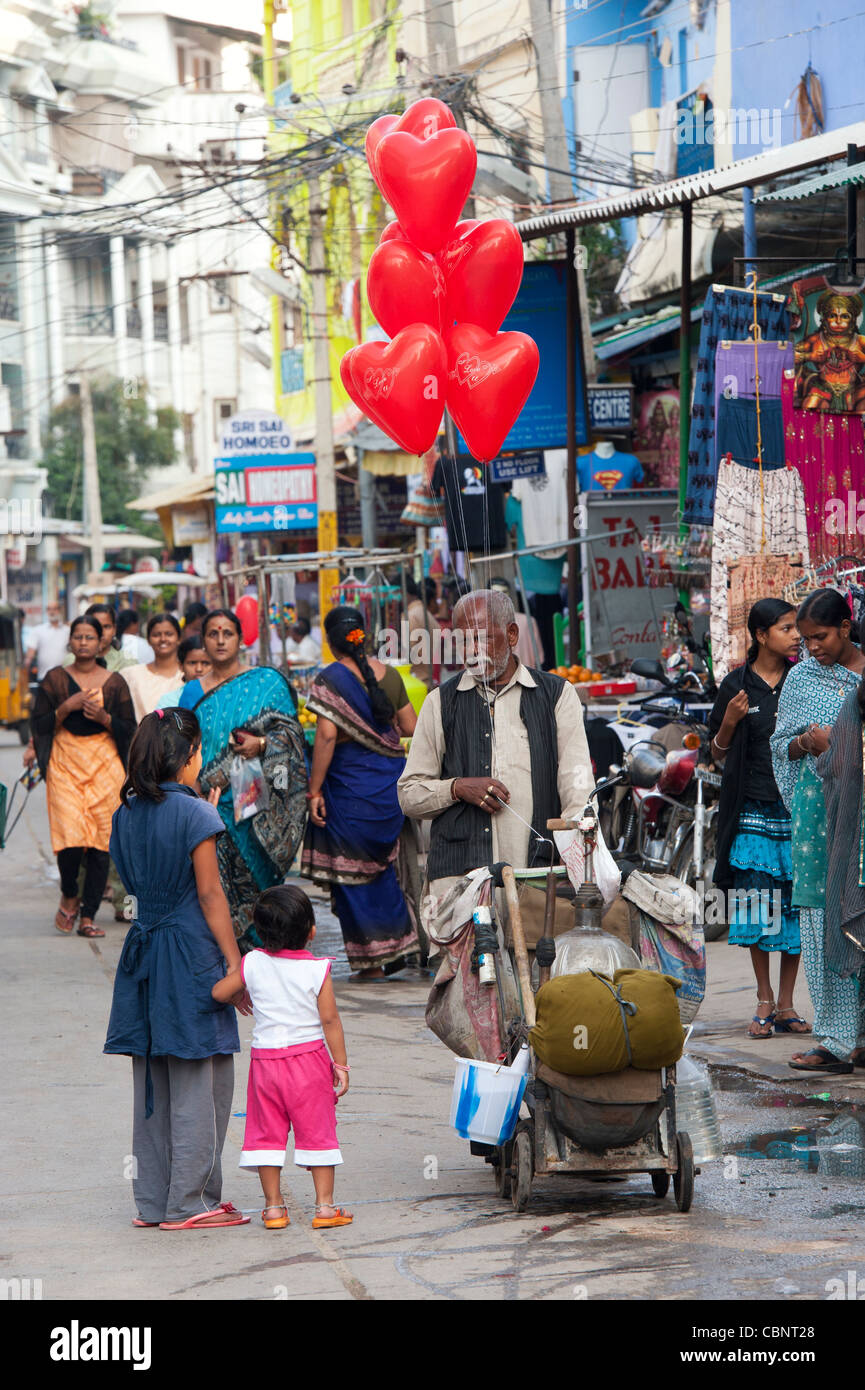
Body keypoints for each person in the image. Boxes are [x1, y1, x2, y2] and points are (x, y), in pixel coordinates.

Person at [104, 707, 250, 1230]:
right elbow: (211, 895)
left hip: (144, 952)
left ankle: (155, 1202)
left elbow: (137, 884)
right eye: (197, 753)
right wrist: (236, 967)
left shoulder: (125, 814)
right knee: (200, 1077)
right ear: (187, 758)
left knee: (153, 1082)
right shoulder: (195, 815)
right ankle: (191, 1204)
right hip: (191, 953)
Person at [398, 589, 595, 946]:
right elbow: (409, 794)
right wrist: (456, 788)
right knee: (473, 993)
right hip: (462, 889)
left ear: (512, 635)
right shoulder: (440, 703)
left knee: (541, 987)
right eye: (462, 639)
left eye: (483, 637)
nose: (473, 650)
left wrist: (579, 854)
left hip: (538, 884)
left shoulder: (556, 695)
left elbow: (577, 787)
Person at [212, 884, 352, 1230]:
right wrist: (341, 1064)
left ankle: (274, 1208)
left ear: (260, 931)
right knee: (318, 1131)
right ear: (311, 932)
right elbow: (330, 1020)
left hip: (265, 1066)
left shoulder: (253, 962)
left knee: (265, 1133)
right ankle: (324, 1207)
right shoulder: (317, 969)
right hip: (309, 1063)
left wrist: (239, 992)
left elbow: (218, 992)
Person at [771, 588, 865, 1073]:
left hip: (861, 816)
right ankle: (832, 1039)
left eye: (821, 637)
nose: (812, 649)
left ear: (846, 627)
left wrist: (844, 740)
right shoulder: (802, 678)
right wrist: (806, 742)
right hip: (816, 818)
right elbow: (780, 744)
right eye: (805, 640)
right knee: (821, 918)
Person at [301, 606, 419, 980]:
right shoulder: (393, 675)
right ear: (364, 636)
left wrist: (314, 789)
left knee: (350, 875)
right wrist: (378, 738)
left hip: (348, 789)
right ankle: (398, 946)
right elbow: (410, 726)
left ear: (331, 642)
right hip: (386, 788)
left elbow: (327, 736)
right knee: (383, 871)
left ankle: (370, 965)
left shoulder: (330, 678)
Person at [709, 599, 809, 1038]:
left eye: (797, 629)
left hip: (797, 808)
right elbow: (714, 756)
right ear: (761, 635)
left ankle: (788, 1003)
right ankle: (764, 997)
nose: (795, 636)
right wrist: (729, 721)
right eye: (787, 629)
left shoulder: (802, 680)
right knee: (757, 905)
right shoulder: (736, 685)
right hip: (749, 810)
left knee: (795, 904)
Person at [178, 608, 307, 943]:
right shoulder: (192, 692)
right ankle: (226, 961)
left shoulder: (266, 683)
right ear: (203, 640)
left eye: (228, 633)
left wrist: (262, 744)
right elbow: (181, 749)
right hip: (210, 802)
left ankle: (262, 958)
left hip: (258, 804)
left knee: (262, 883)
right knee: (215, 886)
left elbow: (293, 736)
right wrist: (191, 797)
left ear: (240, 638)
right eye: (212, 634)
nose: (220, 640)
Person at [27, 615, 135, 937]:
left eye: (90, 637)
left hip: (105, 765)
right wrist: (65, 708)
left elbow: (130, 729)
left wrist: (104, 717)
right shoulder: (55, 680)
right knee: (70, 840)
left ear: (101, 641)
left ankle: (88, 916)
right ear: (70, 642)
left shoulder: (115, 681)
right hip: (65, 763)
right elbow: (39, 725)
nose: (84, 642)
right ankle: (70, 893)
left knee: (101, 843)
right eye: (78, 637)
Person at [122, 613, 184, 721]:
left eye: (169, 634)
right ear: (148, 640)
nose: (163, 639)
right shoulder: (132, 675)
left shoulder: (189, 674)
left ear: (179, 638)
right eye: (156, 635)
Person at [63, 603, 137, 673]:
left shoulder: (126, 661)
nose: (101, 632)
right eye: (96, 626)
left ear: (114, 629)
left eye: (106, 627)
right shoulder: (71, 661)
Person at [489, 576, 544, 670]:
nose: (500, 597)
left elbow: (538, 658)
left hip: (526, 678)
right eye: (495, 593)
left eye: (504, 592)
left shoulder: (528, 622)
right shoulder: (484, 625)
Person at [405, 577, 441, 689]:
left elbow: (410, 653)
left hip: (419, 681)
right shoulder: (422, 613)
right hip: (426, 680)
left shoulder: (412, 615)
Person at [159, 634, 211, 708]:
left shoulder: (222, 697)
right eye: (192, 663)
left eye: (205, 663)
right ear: (181, 666)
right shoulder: (169, 701)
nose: (199, 669)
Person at [24, 601, 69, 681]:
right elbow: (29, 656)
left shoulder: (68, 631)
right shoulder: (38, 630)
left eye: (54, 609)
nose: (52, 612)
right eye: (49, 609)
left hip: (65, 678)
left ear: (59, 610)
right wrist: (24, 677)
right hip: (44, 678)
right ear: (46, 611)